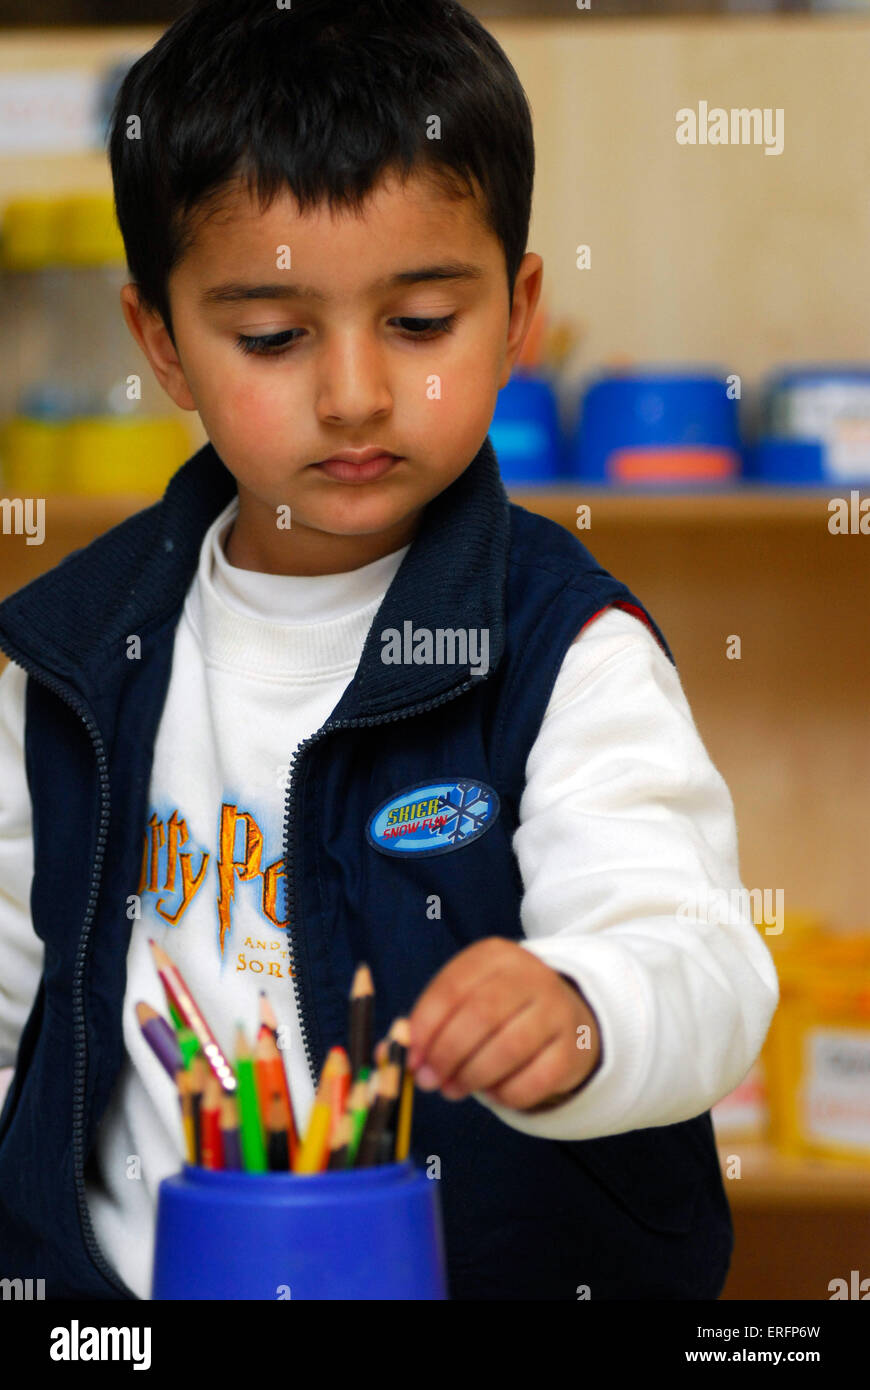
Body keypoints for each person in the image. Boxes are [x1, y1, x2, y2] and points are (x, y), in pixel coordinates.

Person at [0, 0, 777, 1300]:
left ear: (518, 312)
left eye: (419, 323)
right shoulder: (67, 656)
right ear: (162, 346)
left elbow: (695, 953)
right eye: (271, 336)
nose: (354, 392)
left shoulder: (564, 648)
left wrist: (586, 1004)